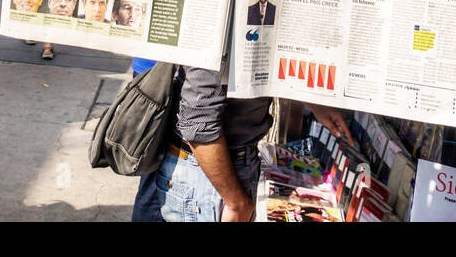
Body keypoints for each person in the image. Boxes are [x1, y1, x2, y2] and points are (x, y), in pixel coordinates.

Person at [137, 57, 352, 221]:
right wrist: (235, 201)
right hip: (208, 178)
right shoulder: (221, 14)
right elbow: (198, 122)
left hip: (222, 171)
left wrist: (316, 105)